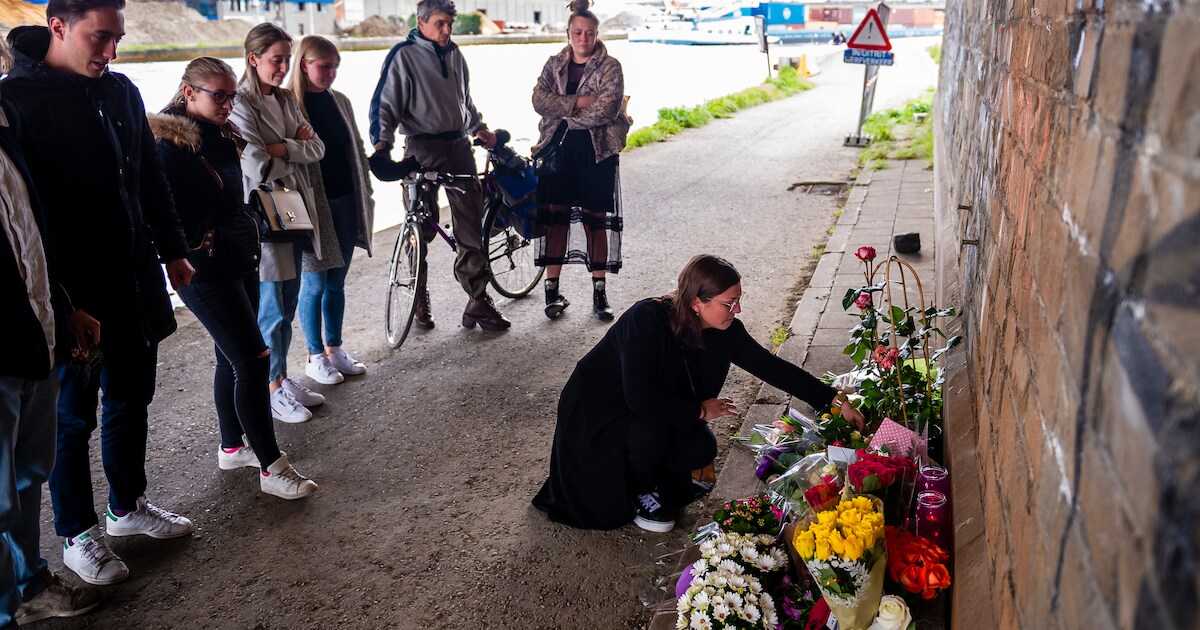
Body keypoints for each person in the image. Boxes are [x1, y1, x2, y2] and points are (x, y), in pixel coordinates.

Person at [2, 0, 198, 587]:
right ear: (58, 27)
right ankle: (76, 533)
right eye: (100, 37)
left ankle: (126, 507)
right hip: (72, 294)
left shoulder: (121, 92)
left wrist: (173, 247)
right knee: (71, 418)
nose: (111, 51)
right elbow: (26, 218)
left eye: (117, 38)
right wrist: (64, 302)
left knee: (132, 396)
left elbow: (148, 178)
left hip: (133, 278)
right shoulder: (16, 102)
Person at [532, 254, 866, 533]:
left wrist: (836, 402)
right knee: (655, 432)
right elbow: (640, 398)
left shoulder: (726, 331)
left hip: (651, 409)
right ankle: (641, 490)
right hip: (598, 411)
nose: (737, 310)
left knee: (700, 447)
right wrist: (701, 412)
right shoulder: (646, 319)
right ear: (696, 302)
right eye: (728, 303)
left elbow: (773, 368)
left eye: (738, 300)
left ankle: (648, 475)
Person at [150, 57, 318, 500]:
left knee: (231, 358)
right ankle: (271, 466)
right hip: (203, 265)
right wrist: (189, 245)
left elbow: (235, 193)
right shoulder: (168, 145)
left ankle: (231, 446)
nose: (228, 104)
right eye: (218, 95)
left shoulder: (219, 133)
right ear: (189, 93)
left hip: (237, 252)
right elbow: (160, 210)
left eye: (232, 95)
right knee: (253, 358)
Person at [0, 38, 103, 626]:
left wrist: (64, 306)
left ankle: (31, 581)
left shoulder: (6, 127)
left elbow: (31, 236)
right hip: (6, 347)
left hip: (36, 333)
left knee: (25, 474)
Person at [368, 0, 511, 332]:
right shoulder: (403, 56)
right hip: (421, 146)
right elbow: (385, 106)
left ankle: (477, 299)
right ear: (421, 22)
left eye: (450, 23)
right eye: (440, 24)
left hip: (459, 146)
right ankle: (419, 294)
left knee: (470, 225)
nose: (447, 30)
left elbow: (464, 100)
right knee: (421, 226)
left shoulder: (455, 54)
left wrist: (479, 128)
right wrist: (381, 147)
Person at [230, 23, 335, 424]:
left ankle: (282, 377)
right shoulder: (241, 104)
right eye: (276, 60)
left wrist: (284, 147)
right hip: (266, 214)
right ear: (253, 59)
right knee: (272, 308)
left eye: (287, 59)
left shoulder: (288, 98)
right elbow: (255, 165)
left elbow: (318, 147)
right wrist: (296, 147)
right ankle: (271, 387)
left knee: (289, 300)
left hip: (294, 208)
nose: (283, 67)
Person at [531, 0, 629, 322]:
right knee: (555, 220)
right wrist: (579, 102)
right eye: (577, 32)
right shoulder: (553, 63)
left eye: (588, 32)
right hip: (556, 150)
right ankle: (551, 292)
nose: (583, 38)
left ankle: (599, 294)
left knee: (594, 222)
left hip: (595, 152)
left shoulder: (610, 66)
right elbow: (538, 100)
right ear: (568, 33)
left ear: (596, 33)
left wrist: (564, 111)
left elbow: (608, 109)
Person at [289, 36, 375, 385]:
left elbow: (355, 149)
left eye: (335, 67)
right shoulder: (290, 104)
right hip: (311, 207)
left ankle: (334, 347)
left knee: (337, 281)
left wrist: (365, 194)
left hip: (345, 201)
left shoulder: (340, 101)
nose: (331, 74)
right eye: (325, 66)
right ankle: (314, 354)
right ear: (304, 64)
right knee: (313, 283)